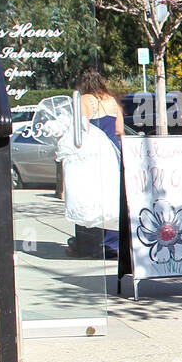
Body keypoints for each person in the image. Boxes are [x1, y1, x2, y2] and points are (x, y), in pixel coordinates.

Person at [64, 68, 125, 259]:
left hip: (92, 153)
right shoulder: (113, 102)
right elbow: (119, 129)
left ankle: (87, 244)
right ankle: (112, 243)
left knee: (87, 197)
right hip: (113, 151)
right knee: (111, 196)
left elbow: (80, 129)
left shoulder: (83, 100)